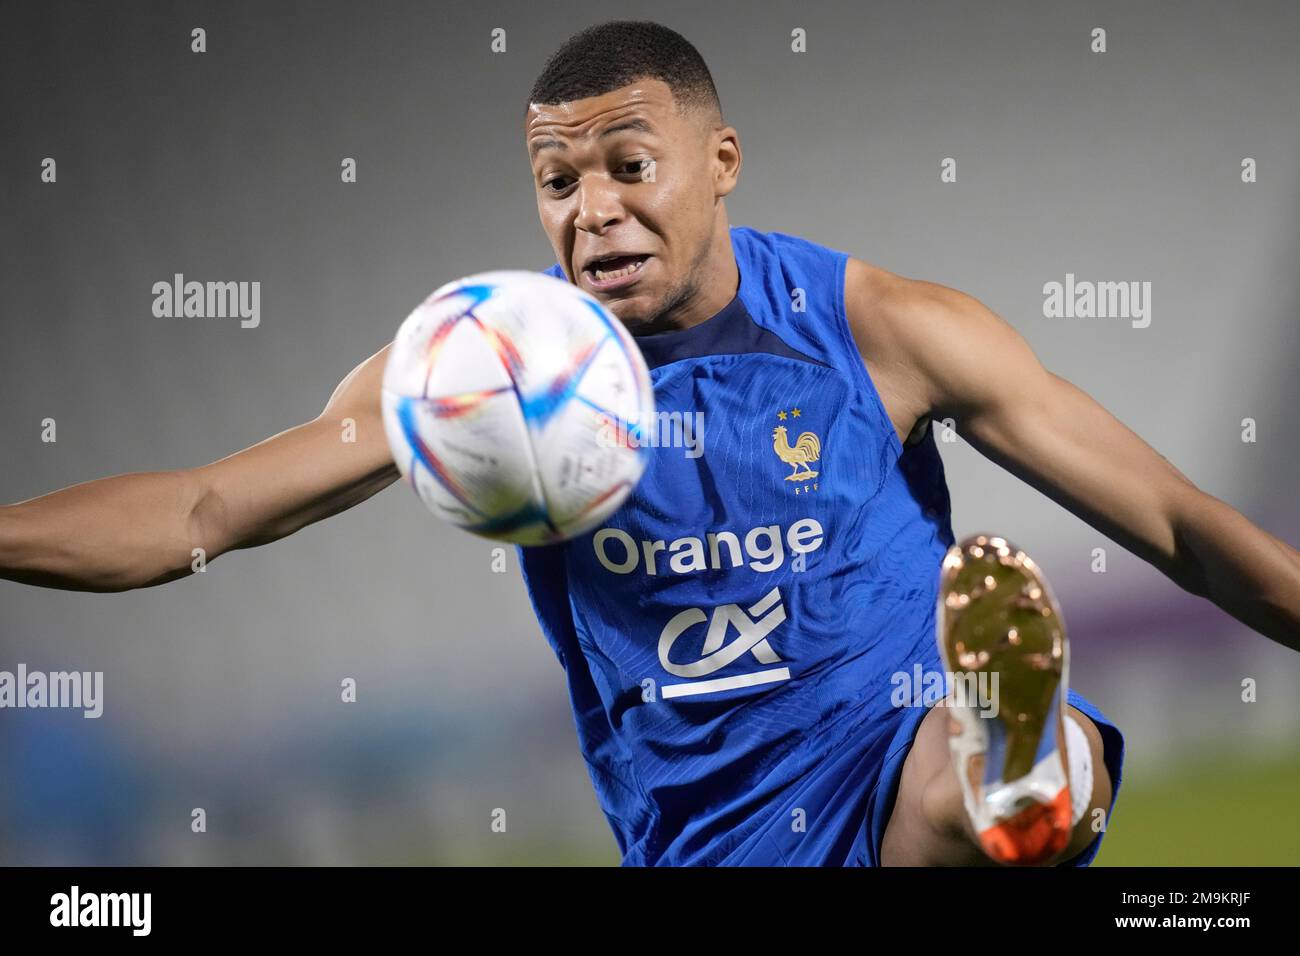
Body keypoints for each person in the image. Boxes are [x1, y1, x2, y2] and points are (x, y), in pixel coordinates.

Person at [2, 20, 1297, 867]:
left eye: (631, 165)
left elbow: (1180, 525)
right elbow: (202, 514)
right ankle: (1025, 783)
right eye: (560, 184)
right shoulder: (481, 372)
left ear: (721, 159)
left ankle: (1023, 768)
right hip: (702, 837)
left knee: (964, 804)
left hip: (889, 761)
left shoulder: (882, 332)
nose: (596, 210)